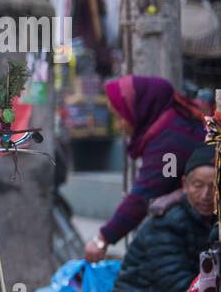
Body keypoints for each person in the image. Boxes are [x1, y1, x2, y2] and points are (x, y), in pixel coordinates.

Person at [86, 76, 205, 261]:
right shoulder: (173, 125)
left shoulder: (170, 141)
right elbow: (163, 182)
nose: (119, 125)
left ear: (140, 108)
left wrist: (102, 239)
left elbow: (145, 194)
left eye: (120, 116)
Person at [107, 146, 218, 292]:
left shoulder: (213, 221)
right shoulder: (165, 224)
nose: (206, 195)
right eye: (198, 186)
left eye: (214, 187)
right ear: (185, 185)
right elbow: (182, 288)